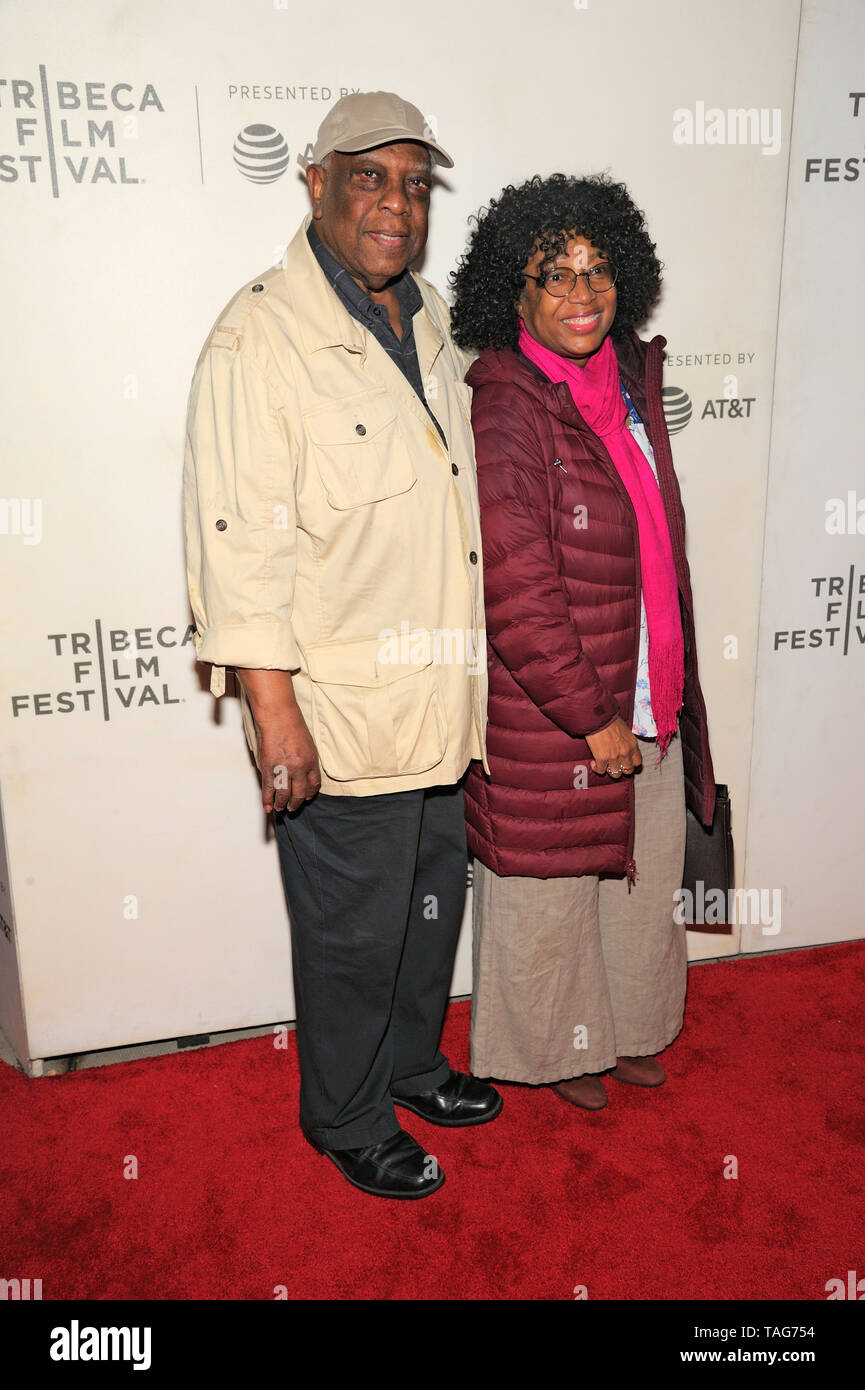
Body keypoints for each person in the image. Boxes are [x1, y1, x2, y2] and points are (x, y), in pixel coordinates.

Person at [183, 92, 501, 1200]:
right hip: (336, 711)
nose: (396, 203)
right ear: (313, 183)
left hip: (438, 701)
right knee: (351, 938)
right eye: (369, 177)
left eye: (414, 184)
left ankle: (411, 1065)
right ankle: (347, 1115)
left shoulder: (434, 319)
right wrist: (275, 712)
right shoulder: (258, 335)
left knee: (426, 914)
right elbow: (238, 547)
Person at [449, 173, 715, 1110]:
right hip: (557, 703)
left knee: (641, 877)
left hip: (648, 674)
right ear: (511, 293)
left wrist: (653, 690)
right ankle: (561, 1052)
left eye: (596, 270)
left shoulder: (632, 383)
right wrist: (589, 713)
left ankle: (630, 1030)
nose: (580, 293)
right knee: (550, 892)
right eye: (553, 275)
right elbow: (515, 582)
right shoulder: (507, 400)